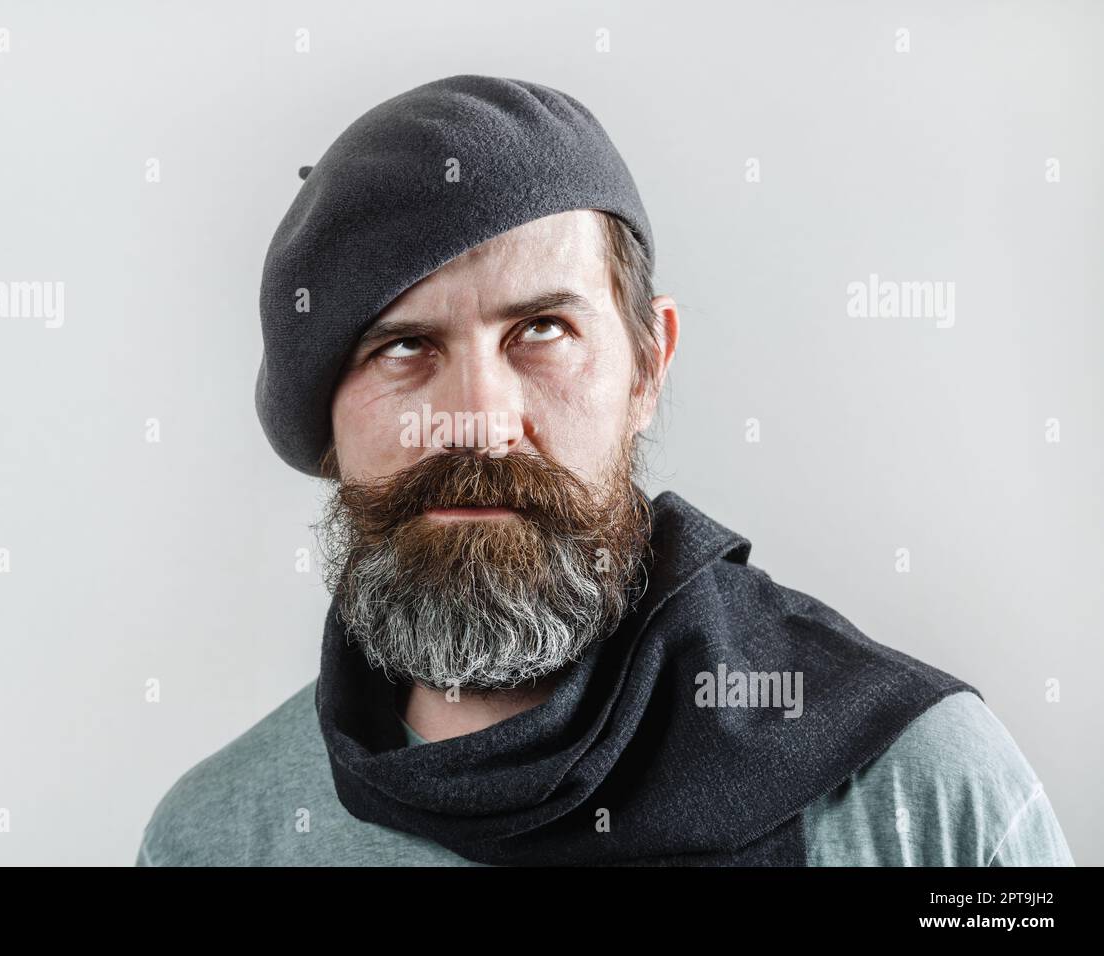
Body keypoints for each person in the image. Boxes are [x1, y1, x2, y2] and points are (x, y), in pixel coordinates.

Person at [136, 74, 1073, 867]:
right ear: (325, 420)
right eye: (402, 347)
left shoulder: (923, 793)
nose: (481, 423)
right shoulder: (218, 839)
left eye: (542, 329)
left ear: (648, 365)